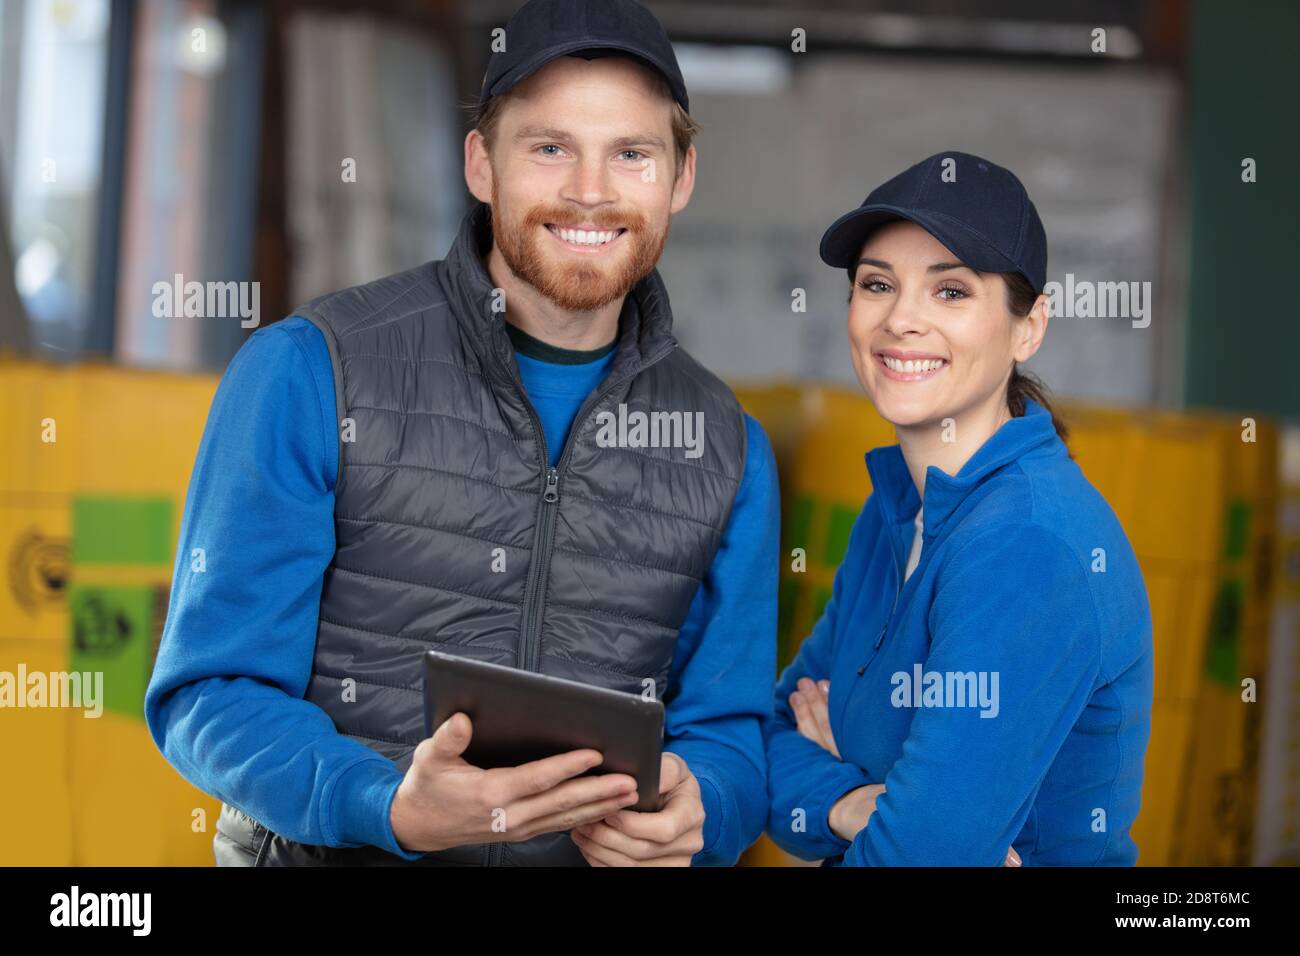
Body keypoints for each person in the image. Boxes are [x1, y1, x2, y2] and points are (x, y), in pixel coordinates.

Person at [145, 0, 778, 867]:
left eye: (630, 153)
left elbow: (731, 735)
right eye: (549, 147)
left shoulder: (725, 449)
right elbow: (209, 690)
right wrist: (382, 805)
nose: (590, 191)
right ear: (481, 163)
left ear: (680, 177)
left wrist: (702, 810)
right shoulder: (308, 371)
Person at [764, 152, 1153, 866]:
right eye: (878, 284)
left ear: (1029, 326)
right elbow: (770, 742)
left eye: (951, 293)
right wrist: (853, 805)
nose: (902, 320)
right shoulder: (895, 517)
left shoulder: (1026, 545)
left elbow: (918, 855)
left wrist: (856, 794)